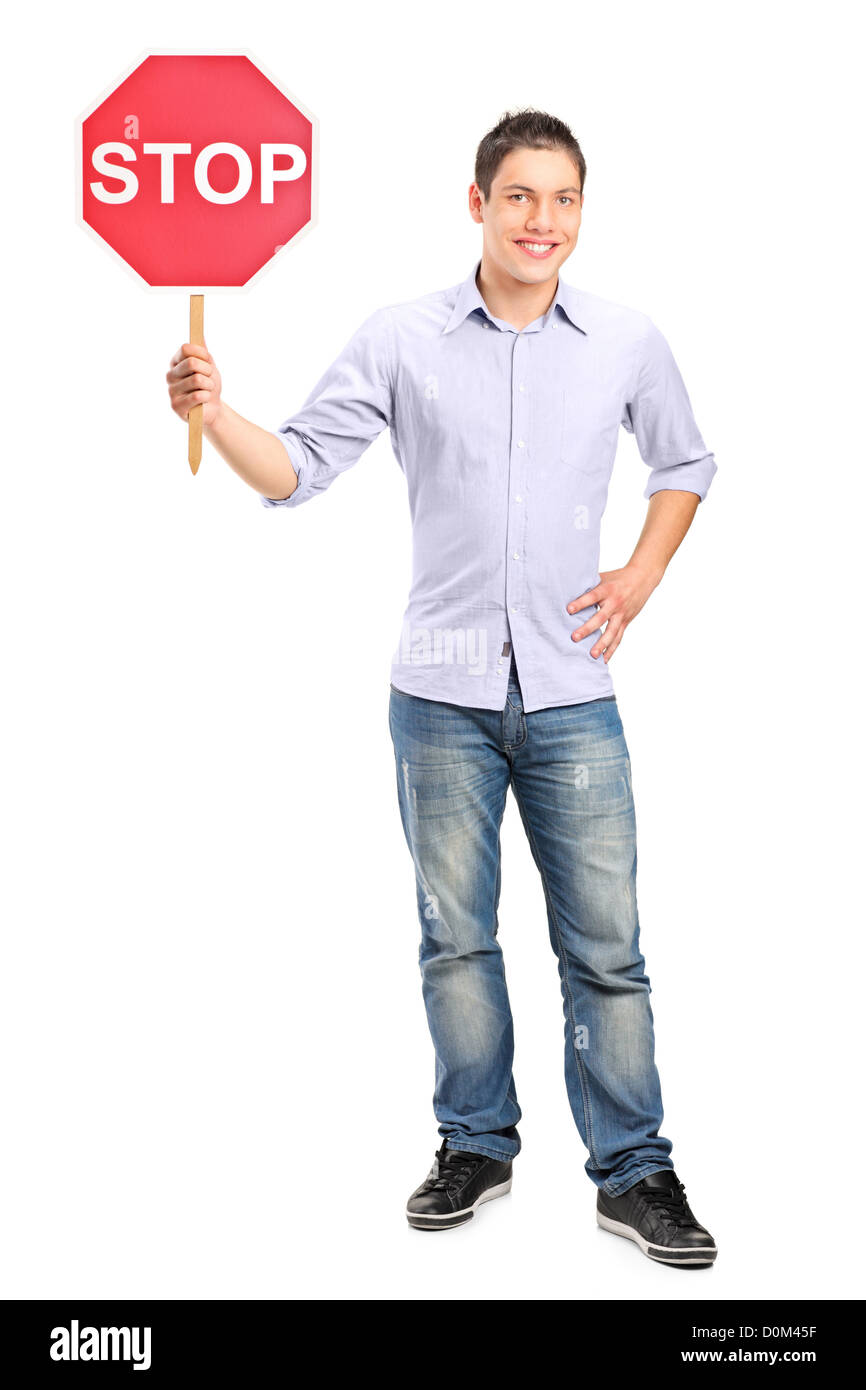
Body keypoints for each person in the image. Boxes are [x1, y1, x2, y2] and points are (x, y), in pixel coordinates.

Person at [166, 108, 718, 1269]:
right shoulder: (404, 337)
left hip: (572, 692)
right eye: (519, 196)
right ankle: (474, 1145)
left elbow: (684, 462)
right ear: (476, 203)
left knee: (606, 949)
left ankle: (634, 1171)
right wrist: (216, 412)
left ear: (581, 211)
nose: (542, 220)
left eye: (563, 199)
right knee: (454, 941)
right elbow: (298, 467)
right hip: (439, 696)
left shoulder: (622, 339)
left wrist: (641, 572)